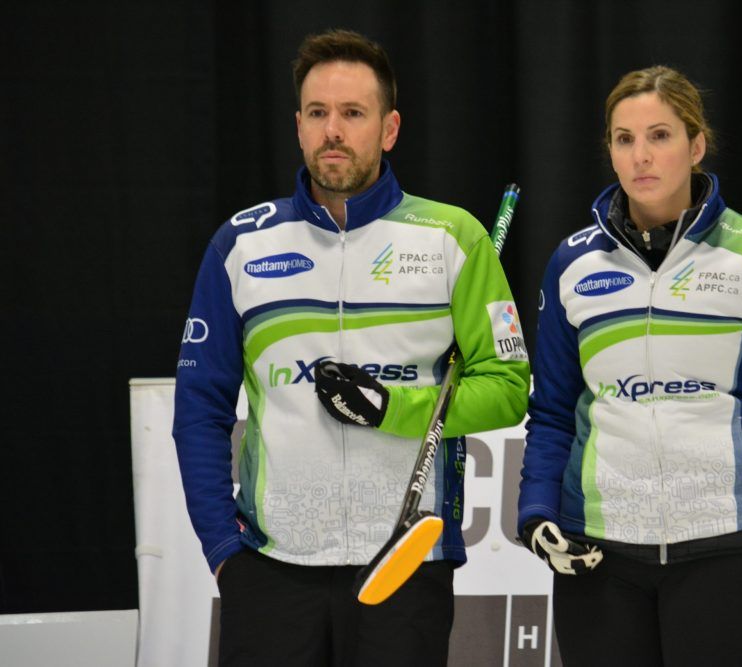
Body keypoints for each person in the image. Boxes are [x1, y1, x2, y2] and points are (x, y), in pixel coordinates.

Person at [172, 28, 529, 667]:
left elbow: (507, 389)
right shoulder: (242, 245)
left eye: (353, 114)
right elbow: (199, 407)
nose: (333, 130)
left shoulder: (456, 237)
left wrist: (391, 408)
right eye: (318, 113)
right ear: (300, 126)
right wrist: (225, 554)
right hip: (271, 570)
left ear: (389, 129)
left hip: (405, 566)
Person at [517, 66, 742, 665]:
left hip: (728, 551)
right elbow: (551, 411)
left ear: (696, 144)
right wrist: (535, 513)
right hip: (598, 557)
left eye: (659, 135)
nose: (642, 156)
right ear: (609, 151)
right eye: (624, 139)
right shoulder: (571, 264)